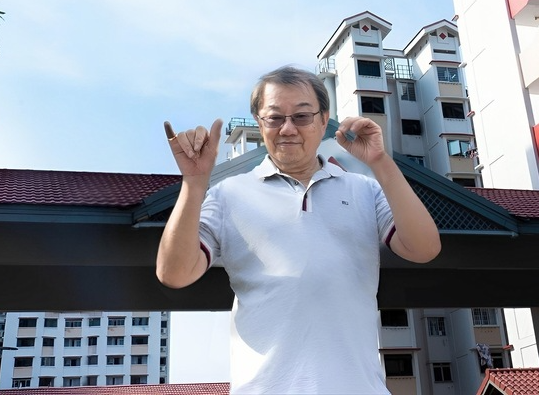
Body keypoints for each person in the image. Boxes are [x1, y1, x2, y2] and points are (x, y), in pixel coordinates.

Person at [156, 65, 441, 394]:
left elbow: (424, 248)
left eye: (302, 116)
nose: (287, 129)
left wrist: (380, 162)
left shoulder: (364, 190)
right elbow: (174, 274)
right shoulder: (228, 195)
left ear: (323, 120)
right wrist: (194, 183)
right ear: (260, 124)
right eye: (274, 117)